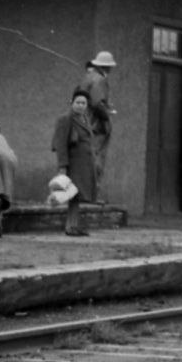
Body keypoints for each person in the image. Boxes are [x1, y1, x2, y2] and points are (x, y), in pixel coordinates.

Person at [52, 90, 98, 236]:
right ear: (72, 102)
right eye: (78, 102)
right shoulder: (65, 119)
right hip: (73, 164)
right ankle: (70, 226)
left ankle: (73, 226)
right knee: (72, 195)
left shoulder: (85, 119)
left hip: (83, 166)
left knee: (76, 196)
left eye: (83, 103)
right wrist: (62, 166)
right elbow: (60, 144)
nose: (80, 106)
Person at [75, 51, 116, 187]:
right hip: (96, 125)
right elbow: (97, 103)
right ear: (106, 66)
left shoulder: (88, 77)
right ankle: (93, 193)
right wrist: (107, 114)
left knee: (87, 157)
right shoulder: (99, 80)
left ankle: (87, 192)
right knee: (96, 158)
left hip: (86, 123)